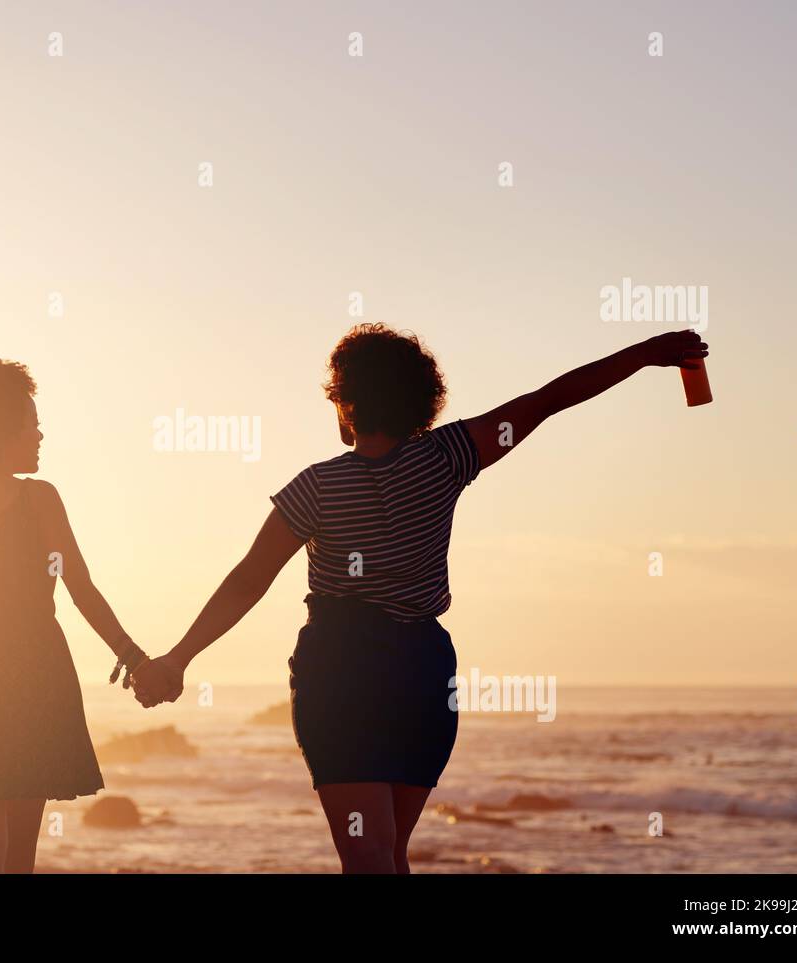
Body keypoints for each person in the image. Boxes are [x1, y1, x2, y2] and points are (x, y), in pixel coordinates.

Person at [131, 323, 709, 873]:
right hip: (424, 673)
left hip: (342, 671)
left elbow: (249, 579)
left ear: (346, 401)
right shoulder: (448, 456)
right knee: (387, 855)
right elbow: (548, 398)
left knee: (369, 858)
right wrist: (645, 353)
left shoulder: (316, 486)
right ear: (417, 400)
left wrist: (179, 658)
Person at [0, 359, 156, 873]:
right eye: (31, 421)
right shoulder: (38, 499)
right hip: (33, 663)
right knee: (21, 849)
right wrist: (130, 655)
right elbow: (81, 588)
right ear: (1, 428)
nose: (40, 433)